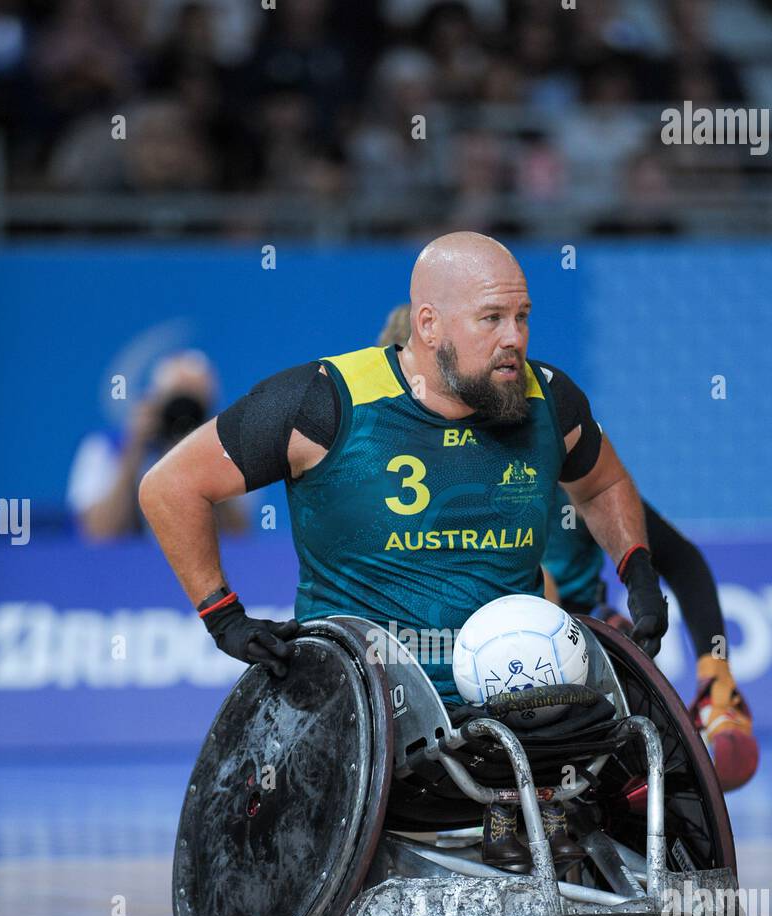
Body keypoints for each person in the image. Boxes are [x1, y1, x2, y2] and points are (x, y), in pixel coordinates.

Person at [139, 232, 668, 870]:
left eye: (523, 317)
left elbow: (603, 483)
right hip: (368, 709)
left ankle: (544, 820)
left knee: (614, 703)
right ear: (429, 324)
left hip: (519, 699)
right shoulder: (326, 401)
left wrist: (637, 572)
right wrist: (223, 617)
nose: (515, 338)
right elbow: (170, 486)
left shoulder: (549, 399)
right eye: (492, 319)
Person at [376, 302, 758, 794]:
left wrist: (714, 671)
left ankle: (644, 786)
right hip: (452, 658)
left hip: (575, 646)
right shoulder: (399, 485)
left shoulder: (548, 459)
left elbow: (678, 558)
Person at [68, 351, 246, 539]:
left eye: (193, 406)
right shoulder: (102, 448)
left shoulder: (231, 454)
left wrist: (209, 455)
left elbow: (238, 538)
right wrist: (134, 448)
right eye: (176, 403)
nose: (184, 415)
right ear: (153, 402)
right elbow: (99, 534)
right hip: (123, 567)